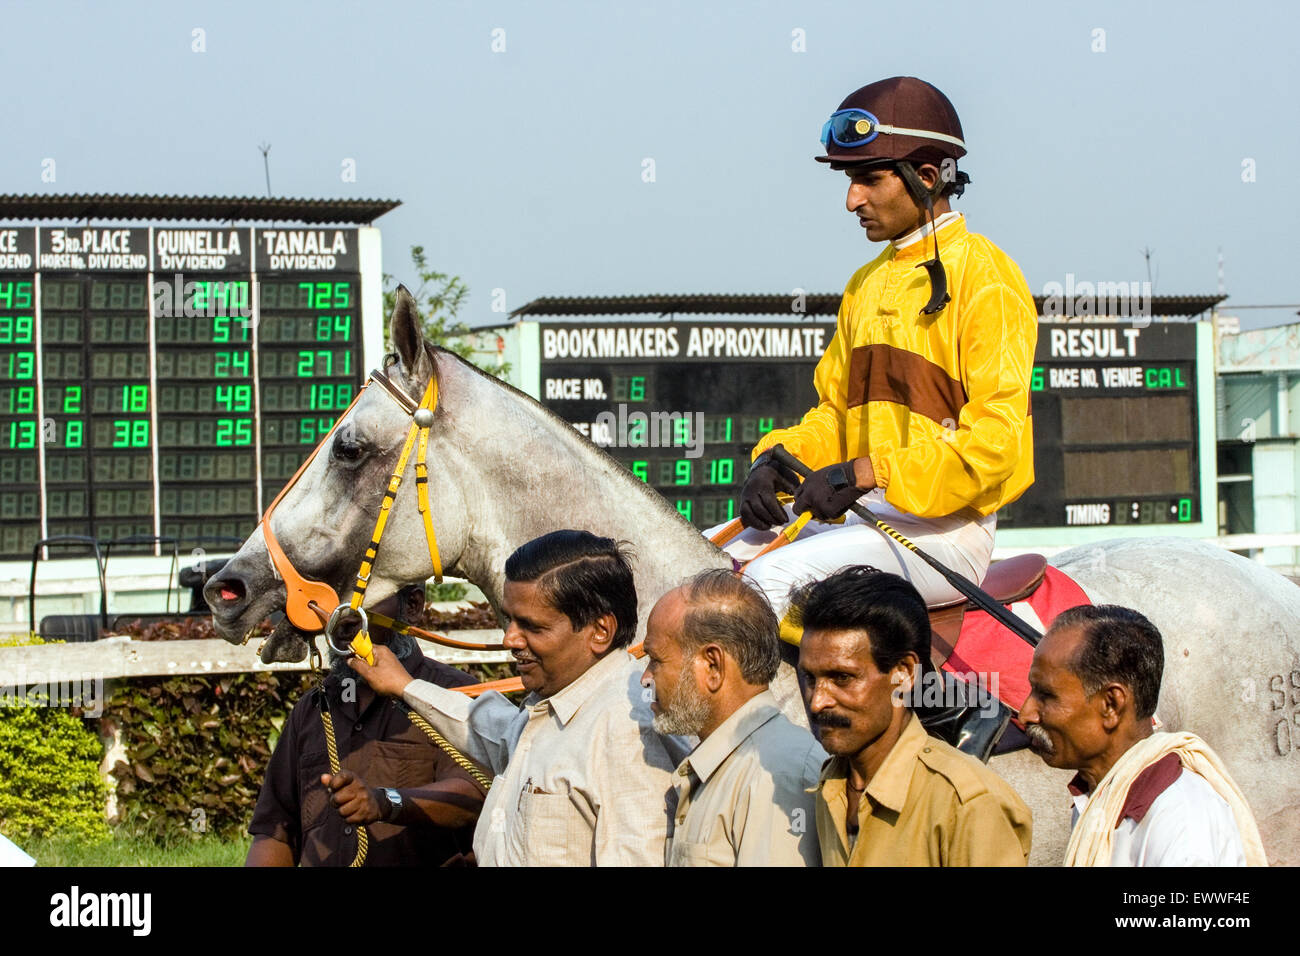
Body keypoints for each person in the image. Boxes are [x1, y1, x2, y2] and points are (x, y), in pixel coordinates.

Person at [717, 76, 1037, 637]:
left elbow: (995, 446)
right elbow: (835, 418)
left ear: (928, 177)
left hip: (944, 532)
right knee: (701, 566)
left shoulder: (988, 278)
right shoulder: (864, 285)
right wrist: (775, 461)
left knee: (765, 584)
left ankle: (796, 724)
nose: (851, 200)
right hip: (865, 518)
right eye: (849, 180)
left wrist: (868, 472)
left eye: (867, 179)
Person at [349, 530, 680, 866]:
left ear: (600, 631)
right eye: (509, 620)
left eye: (532, 626)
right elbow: (492, 729)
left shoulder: (630, 731)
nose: (509, 639)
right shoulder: (556, 704)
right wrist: (405, 686)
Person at [794, 566, 1032, 866]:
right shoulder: (831, 786)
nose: (817, 702)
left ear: (904, 674)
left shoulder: (969, 803)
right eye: (810, 679)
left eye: (842, 678)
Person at [246, 584, 487, 867]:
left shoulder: (456, 694)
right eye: (337, 599)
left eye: (365, 599)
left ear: (412, 606)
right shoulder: (313, 707)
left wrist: (385, 802)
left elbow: (473, 796)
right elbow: (276, 830)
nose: (344, 616)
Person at [1019, 604, 1268, 866]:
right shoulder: (1100, 797)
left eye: (1045, 695)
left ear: (1111, 705)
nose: (1026, 714)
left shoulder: (1178, 820)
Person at [640, 569, 825, 866]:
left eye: (656, 661)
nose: (645, 679)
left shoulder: (778, 775)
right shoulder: (730, 766)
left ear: (713, 666)